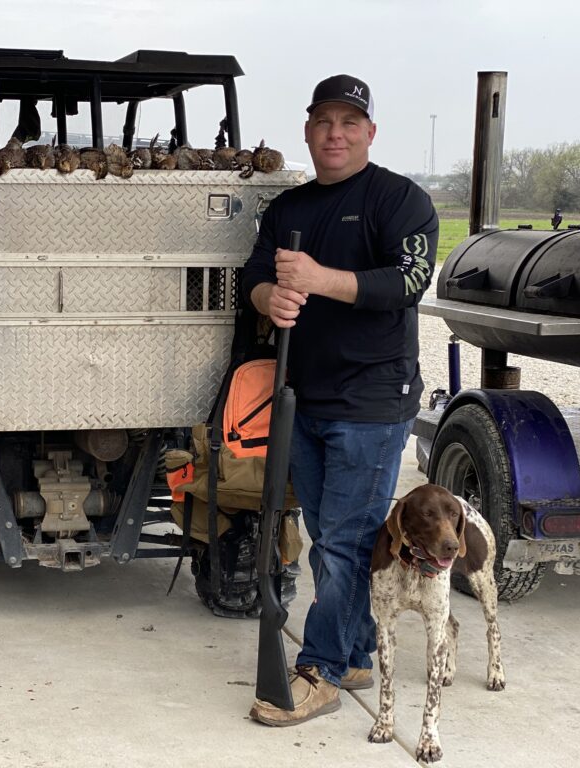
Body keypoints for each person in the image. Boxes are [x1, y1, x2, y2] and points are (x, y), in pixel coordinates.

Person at [242, 74, 438, 726]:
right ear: (307, 130)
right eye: (324, 121)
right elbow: (254, 277)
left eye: (349, 123)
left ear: (369, 133)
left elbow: (408, 281)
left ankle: (320, 670)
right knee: (330, 536)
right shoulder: (288, 210)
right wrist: (272, 298)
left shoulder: (400, 200)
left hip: (371, 404)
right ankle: (354, 654)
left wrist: (320, 280)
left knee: (344, 544)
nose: (335, 133)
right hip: (302, 396)